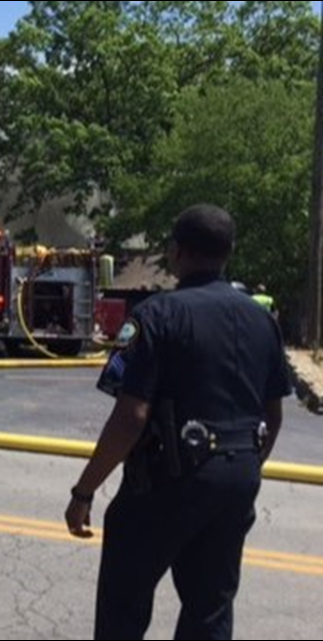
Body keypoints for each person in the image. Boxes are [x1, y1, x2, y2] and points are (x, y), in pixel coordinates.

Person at [65, 204, 291, 640]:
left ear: (176, 252)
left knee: (123, 607)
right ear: (229, 252)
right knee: (210, 610)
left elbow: (131, 418)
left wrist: (84, 490)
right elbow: (274, 415)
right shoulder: (263, 320)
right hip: (237, 480)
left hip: (165, 482)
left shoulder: (157, 315)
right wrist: (239, 470)